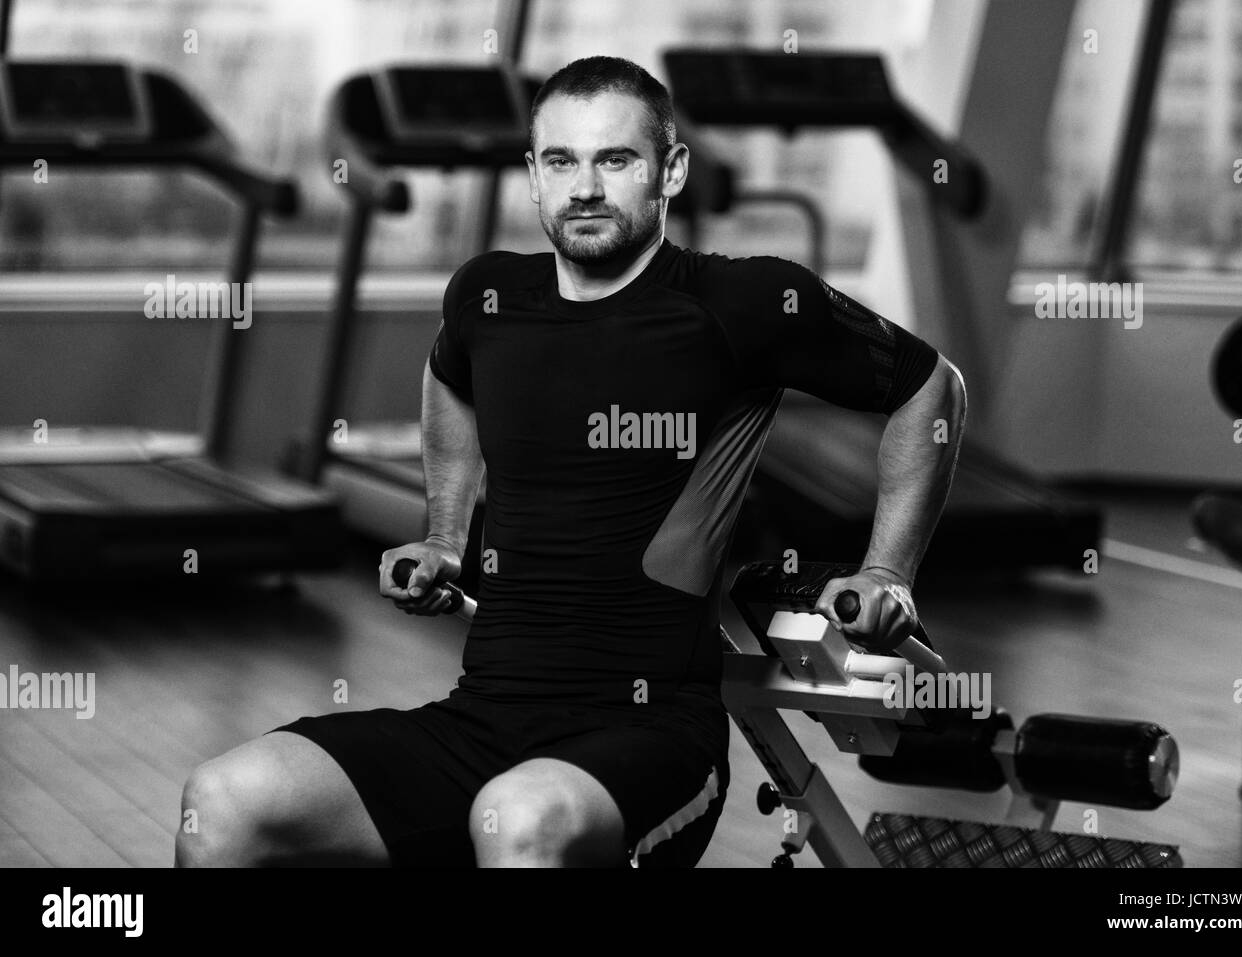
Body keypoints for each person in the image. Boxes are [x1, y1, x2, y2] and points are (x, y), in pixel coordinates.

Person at [175, 55, 965, 869]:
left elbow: (930, 387)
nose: (584, 187)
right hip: (480, 719)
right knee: (224, 801)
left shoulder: (745, 302)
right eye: (561, 160)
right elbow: (448, 375)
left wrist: (888, 571)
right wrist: (446, 535)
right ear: (533, 175)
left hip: (653, 733)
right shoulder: (488, 296)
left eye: (615, 159)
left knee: (516, 818)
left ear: (672, 170)